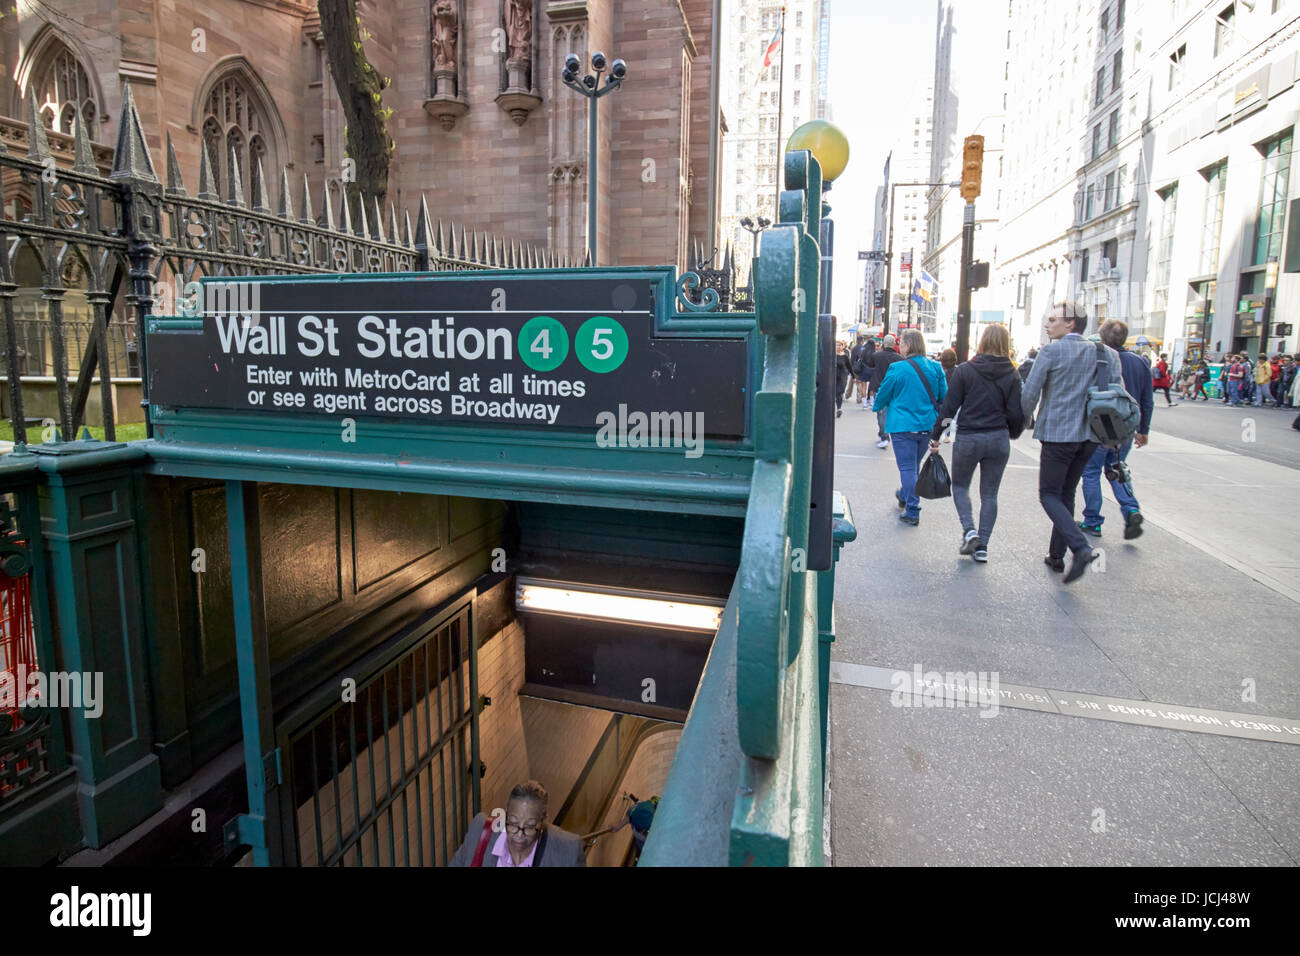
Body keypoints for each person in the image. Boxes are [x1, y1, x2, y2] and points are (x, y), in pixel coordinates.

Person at [1021, 302, 1123, 584]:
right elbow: (1118, 396)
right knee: (1067, 491)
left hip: (1057, 433)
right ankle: (1056, 554)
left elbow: (1030, 393)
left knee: (1049, 494)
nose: (1047, 324)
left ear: (1070, 324)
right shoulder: (1108, 354)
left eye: (1052, 319)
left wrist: (1020, 420)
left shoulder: (1051, 351)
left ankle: (1079, 548)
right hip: (1091, 436)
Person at [928, 324, 1023, 563]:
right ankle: (983, 547)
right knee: (990, 494)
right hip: (998, 437)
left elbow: (950, 407)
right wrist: (1011, 433)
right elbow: (1015, 411)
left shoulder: (965, 371)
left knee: (961, 486)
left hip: (970, 437)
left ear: (982, 342)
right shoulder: (1012, 374)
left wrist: (937, 435)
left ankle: (969, 530)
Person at [1079, 320, 1153, 541]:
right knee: (1117, 468)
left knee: (1091, 472)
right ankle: (1131, 510)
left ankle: (1093, 521)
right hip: (1128, 427)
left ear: (1101, 338)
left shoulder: (1100, 359)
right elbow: (1147, 400)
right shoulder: (1140, 363)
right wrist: (1143, 429)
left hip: (1101, 424)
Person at [873, 328, 947, 526]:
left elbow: (884, 392)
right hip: (926, 425)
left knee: (907, 468)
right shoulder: (936, 367)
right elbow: (943, 396)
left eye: (902, 343)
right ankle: (905, 494)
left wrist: (877, 406)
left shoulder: (898, 369)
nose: (900, 347)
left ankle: (912, 509)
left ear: (908, 345)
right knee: (913, 465)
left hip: (902, 425)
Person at [450, 780, 585, 867]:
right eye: (513, 824)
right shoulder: (480, 831)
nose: (519, 835)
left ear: (543, 821)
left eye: (530, 827)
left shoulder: (568, 853)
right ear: (506, 813)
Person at [869, 333, 905, 448]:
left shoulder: (876, 356)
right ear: (894, 344)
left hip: (879, 387)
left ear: (884, 343)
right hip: (894, 389)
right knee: (891, 412)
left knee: (881, 413)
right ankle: (885, 434)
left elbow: (869, 364)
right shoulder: (899, 358)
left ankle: (884, 435)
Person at [849, 335, 874, 409]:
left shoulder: (863, 351)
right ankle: (872, 403)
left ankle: (864, 405)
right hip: (872, 370)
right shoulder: (874, 353)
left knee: (864, 386)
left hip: (864, 370)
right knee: (871, 387)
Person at [834, 338, 852, 418]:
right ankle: (837, 408)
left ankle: (839, 409)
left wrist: (854, 376)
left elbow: (849, 366)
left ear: (843, 346)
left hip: (842, 377)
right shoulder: (831, 355)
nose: (838, 347)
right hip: (833, 376)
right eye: (837, 345)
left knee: (840, 392)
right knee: (835, 393)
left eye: (840, 345)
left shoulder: (845, 356)